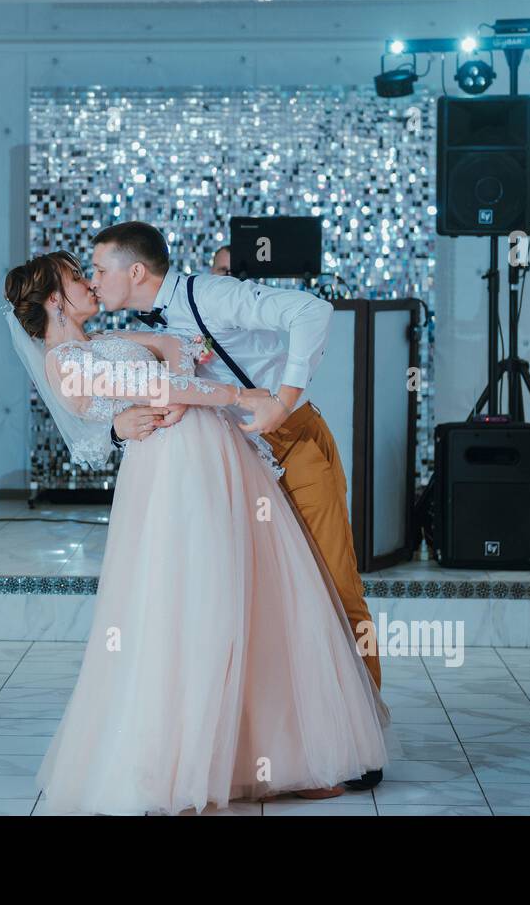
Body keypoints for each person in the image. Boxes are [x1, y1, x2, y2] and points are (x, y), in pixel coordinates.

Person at [4, 251, 393, 816]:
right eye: (75, 277)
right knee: (195, 605)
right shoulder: (65, 359)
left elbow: (179, 357)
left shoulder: (105, 339)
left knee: (260, 595)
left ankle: (290, 753)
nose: (89, 282)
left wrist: (170, 379)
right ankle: (187, 765)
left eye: (92, 271)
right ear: (54, 300)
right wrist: (234, 395)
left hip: (217, 461)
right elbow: (154, 391)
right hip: (175, 477)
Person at [93, 221, 383, 791]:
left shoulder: (211, 294)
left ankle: (366, 736)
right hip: (230, 467)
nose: (93, 280)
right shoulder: (141, 329)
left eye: (100, 269)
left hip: (288, 444)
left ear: (135, 272)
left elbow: (312, 312)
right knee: (267, 604)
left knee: (336, 587)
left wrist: (285, 399)